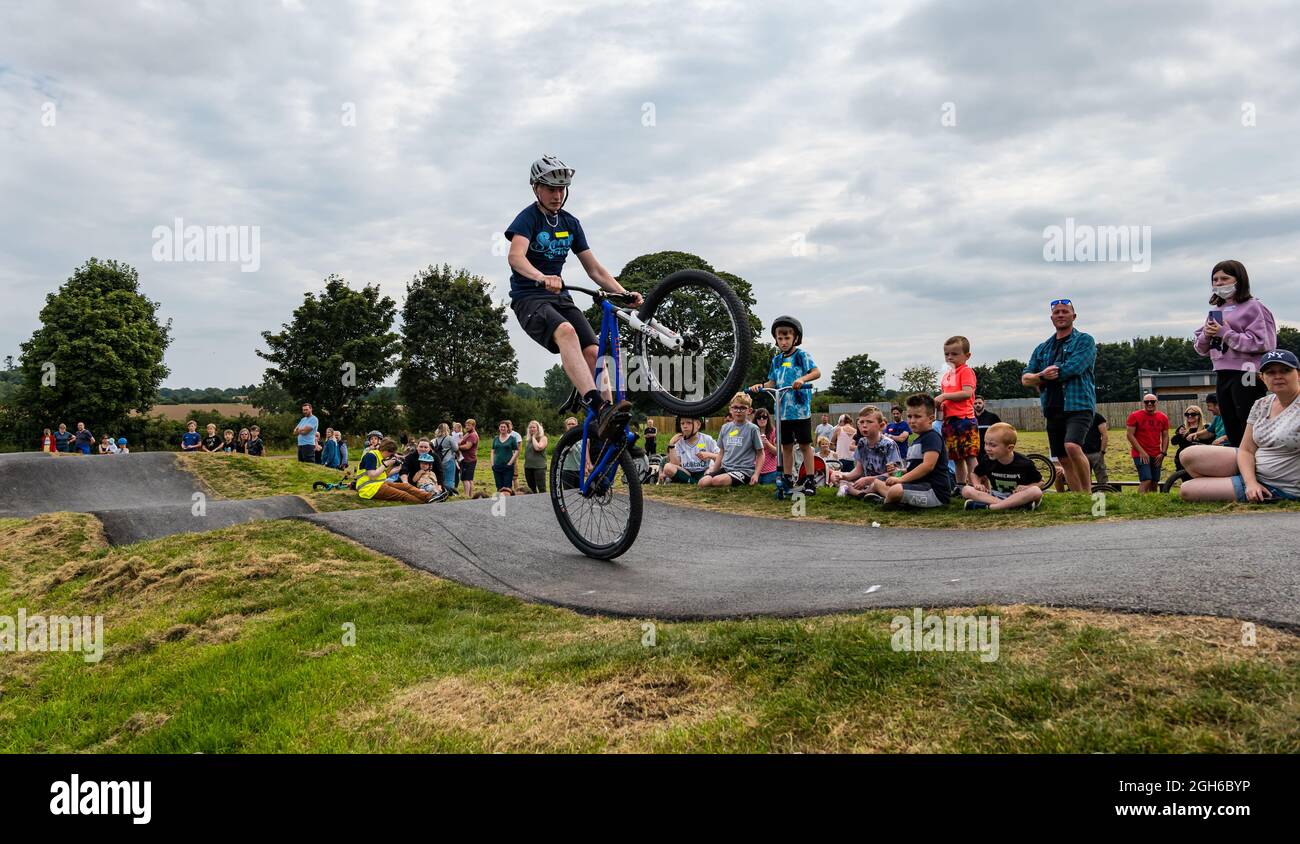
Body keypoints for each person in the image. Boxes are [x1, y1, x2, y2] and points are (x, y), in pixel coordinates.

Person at [505, 154, 643, 443]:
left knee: (593, 349)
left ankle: (611, 418)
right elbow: (515, 257)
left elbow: (594, 269)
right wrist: (540, 276)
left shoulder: (571, 223)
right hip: (530, 298)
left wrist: (623, 293)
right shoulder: (528, 218)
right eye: (551, 189)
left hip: (560, 297)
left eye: (562, 189)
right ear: (536, 188)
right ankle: (597, 404)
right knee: (566, 332)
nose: (557, 195)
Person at [1180, 349, 1300, 503]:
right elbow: (1247, 449)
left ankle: (1254, 489)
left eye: (1286, 370)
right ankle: (1239, 482)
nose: (1278, 376)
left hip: (1281, 484)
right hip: (1254, 469)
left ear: (1298, 374)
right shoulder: (1261, 404)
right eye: (1270, 372)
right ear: (1262, 378)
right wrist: (1250, 482)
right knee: (1188, 455)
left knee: (1188, 490)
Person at [1192, 259, 1277, 447]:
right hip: (1222, 372)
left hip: (1247, 371)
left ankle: (1258, 465)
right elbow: (1200, 348)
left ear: (1239, 280)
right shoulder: (1216, 310)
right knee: (1231, 423)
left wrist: (1226, 333)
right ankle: (1239, 464)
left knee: (1248, 420)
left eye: (1225, 278)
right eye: (1215, 279)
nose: (1219, 283)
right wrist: (1207, 334)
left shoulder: (1254, 306)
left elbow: (1264, 342)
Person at [1022, 298, 1096, 493]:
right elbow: (1025, 378)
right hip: (1053, 407)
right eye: (1057, 312)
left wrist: (1040, 377)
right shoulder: (1043, 348)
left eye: (1065, 311)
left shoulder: (1084, 341)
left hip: (1078, 404)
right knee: (1062, 457)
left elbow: (1074, 368)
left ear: (1074, 316)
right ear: (1051, 318)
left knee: (1072, 446)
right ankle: (1077, 496)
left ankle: (1088, 494)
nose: (1061, 315)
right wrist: (1040, 375)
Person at [749, 316, 821, 496]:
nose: (783, 341)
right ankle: (788, 478)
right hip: (782, 411)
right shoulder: (777, 360)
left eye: (787, 337)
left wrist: (802, 379)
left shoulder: (801, 355)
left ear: (795, 338)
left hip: (800, 409)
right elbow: (773, 382)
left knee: (805, 445)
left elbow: (816, 372)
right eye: (780, 338)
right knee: (786, 446)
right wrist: (760, 386)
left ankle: (810, 479)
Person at [864, 393, 953, 509]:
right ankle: (884, 498)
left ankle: (888, 502)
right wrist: (899, 471)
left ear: (931, 418)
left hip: (934, 492)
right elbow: (913, 468)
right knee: (878, 482)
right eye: (910, 417)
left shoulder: (932, 437)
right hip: (916, 486)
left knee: (896, 489)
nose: (912, 421)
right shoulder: (917, 440)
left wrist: (900, 479)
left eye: (917, 416)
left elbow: (928, 466)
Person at [962, 422, 1044, 511]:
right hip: (995, 495)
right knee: (966, 490)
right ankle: (1013, 506)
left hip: (1018, 496)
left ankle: (991, 507)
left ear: (1009, 448)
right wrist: (977, 484)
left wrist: (1027, 487)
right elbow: (975, 474)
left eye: (993, 445)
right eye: (986, 443)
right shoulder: (987, 460)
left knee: (1036, 491)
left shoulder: (1025, 463)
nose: (987, 448)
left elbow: (1041, 482)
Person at [830, 406, 902, 500]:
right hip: (866, 482)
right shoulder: (861, 443)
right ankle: (862, 493)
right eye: (861, 422)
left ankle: (859, 493)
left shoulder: (889, 444)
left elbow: (897, 474)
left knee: (879, 485)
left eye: (869, 422)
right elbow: (858, 470)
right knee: (835, 475)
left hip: (883, 482)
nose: (864, 425)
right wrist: (844, 476)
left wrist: (868, 480)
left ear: (881, 426)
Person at [936, 336, 980, 486]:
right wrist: (940, 406)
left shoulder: (966, 371)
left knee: (970, 456)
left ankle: (976, 485)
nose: (950, 357)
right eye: (946, 354)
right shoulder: (946, 376)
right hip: (949, 421)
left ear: (967, 356)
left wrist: (944, 396)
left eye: (955, 354)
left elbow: (967, 393)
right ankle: (960, 486)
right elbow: (946, 400)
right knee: (956, 457)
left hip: (964, 420)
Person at [698, 392, 764, 488]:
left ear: (749, 410)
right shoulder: (725, 428)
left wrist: (756, 474)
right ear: (730, 409)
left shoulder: (753, 429)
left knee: (717, 480)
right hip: (726, 468)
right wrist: (714, 472)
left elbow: (760, 454)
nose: (738, 411)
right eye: (735, 407)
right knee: (703, 482)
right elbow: (721, 453)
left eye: (742, 408)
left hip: (744, 470)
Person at [355, 438, 436, 504]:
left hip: (378, 484)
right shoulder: (371, 456)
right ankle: (425, 504)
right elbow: (372, 475)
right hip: (368, 489)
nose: (391, 456)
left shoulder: (380, 457)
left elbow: (383, 475)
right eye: (391, 454)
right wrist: (386, 464)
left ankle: (430, 496)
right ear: (386, 451)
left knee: (406, 486)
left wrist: (395, 468)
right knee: (402, 494)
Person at [1126, 394, 1170, 493]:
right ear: (1143, 403)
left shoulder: (1163, 417)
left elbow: (1165, 435)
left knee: (1154, 482)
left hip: (1156, 454)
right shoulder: (1135, 416)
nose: (1149, 403)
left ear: (1156, 402)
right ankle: (1139, 504)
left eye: (1152, 401)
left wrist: (1163, 453)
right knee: (1146, 480)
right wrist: (1141, 452)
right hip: (1140, 454)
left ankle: (1152, 504)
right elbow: (1130, 435)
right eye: (1147, 402)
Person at [659, 415, 719, 484]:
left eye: (689, 423)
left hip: (704, 471)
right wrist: (671, 444)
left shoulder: (707, 439)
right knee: (667, 467)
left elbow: (720, 457)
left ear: (698, 425)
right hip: (687, 472)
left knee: (712, 468)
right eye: (682, 423)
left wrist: (709, 455)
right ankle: (695, 482)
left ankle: (694, 481)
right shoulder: (679, 442)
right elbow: (675, 464)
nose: (685, 426)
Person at [1171, 405, 1214, 471]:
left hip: (1201, 460)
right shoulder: (1183, 427)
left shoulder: (1206, 427)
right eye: (1187, 414)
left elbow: (1211, 443)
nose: (1190, 416)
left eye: (1193, 414)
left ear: (1199, 415)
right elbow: (1173, 442)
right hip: (1184, 460)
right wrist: (1179, 434)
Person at [1080, 411, 1109, 486]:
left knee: (1102, 479)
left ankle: (1102, 497)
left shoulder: (1098, 417)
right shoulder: (1077, 417)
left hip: (1096, 453)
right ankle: (1087, 497)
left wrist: (1102, 452)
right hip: (1081, 454)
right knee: (1084, 479)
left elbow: (1105, 435)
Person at [752, 408, 780, 484]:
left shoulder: (773, 431)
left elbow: (778, 452)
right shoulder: (751, 431)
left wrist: (767, 443)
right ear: (755, 419)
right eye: (759, 417)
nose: (761, 419)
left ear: (768, 419)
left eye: (764, 417)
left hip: (770, 471)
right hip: (753, 469)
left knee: (767, 491)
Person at [491, 421, 519, 492]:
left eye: (504, 427)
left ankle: (508, 501)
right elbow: (492, 451)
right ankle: (500, 502)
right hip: (497, 466)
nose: (502, 428)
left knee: (507, 487)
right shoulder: (496, 439)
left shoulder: (512, 439)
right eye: (501, 427)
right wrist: (492, 464)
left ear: (507, 428)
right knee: (499, 487)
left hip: (508, 466)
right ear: (499, 428)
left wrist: (510, 463)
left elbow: (516, 451)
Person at [523, 420, 548, 493]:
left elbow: (538, 448)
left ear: (538, 429)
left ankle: (544, 503)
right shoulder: (528, 440)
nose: (532, 429)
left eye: (534, 427)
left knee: (541, 488)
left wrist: (534, 437)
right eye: (530, 427)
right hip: (528, 467)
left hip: (539, 467)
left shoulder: (543, 438)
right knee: (531, 488)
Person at [459, 419, 479, 498]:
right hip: (468, 459)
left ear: (473, 426)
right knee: (469, 479)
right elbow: (461, 441)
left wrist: (457, 447)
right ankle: (470, 496)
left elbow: (467, 446)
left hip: (469, 459)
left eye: (469, 425)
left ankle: (466, 496)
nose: (466, 427)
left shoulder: (472, 435)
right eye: (466, 425)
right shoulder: (468, 434)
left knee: (466, 479)